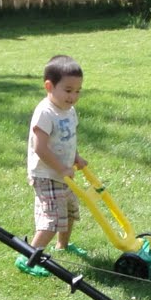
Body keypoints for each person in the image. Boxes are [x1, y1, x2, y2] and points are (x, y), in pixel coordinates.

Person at [20, 54, 87, 272]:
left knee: (69, 211)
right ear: (49, 86)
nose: (73, 96)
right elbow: (40, 148)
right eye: (68, 90)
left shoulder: (69, 110)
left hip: (64, 173)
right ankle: (28, 258)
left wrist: (75, 157)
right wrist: (61, 169)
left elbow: (69, 139)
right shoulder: (45, 113)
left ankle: (63, 246)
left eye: (77, 91)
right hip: (47, 175)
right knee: (51, 219)